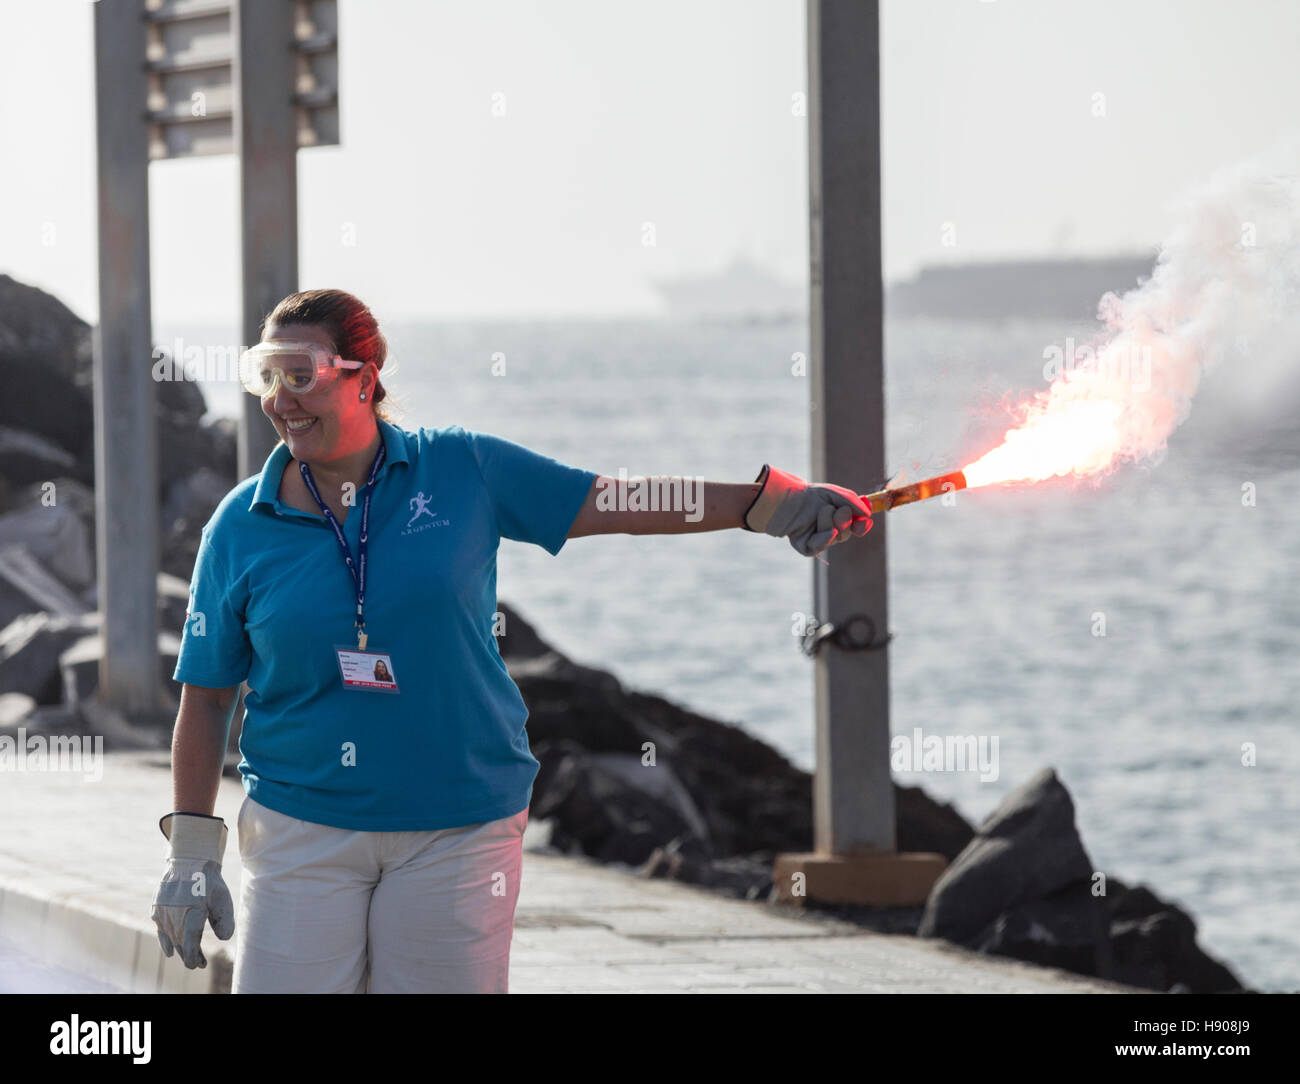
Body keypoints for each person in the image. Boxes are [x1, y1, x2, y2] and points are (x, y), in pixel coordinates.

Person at [150, 288, 873, 994]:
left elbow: (617, 501)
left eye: (299, 375)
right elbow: (207, 700)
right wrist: (190, 853)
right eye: (266, 376)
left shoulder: (464, 469)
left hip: (456, 827)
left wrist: (766, 504)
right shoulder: (239, 525)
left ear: (364, 379)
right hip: (300, 828)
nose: (280, 398)